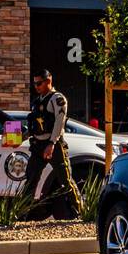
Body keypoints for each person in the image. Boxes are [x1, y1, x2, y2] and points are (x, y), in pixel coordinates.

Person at [22, 70, 82, 221]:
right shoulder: (37, 101)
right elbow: (35, 126)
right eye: (34, 83)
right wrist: (18, 138)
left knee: (65, 180)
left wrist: (52, 143)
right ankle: (23, 214)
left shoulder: (58, 99)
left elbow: (59, 123)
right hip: (37, 145)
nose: (36, 86)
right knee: (30, 179)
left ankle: (81, 211)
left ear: (49, 80)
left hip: (53, 145)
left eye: (39, 83)